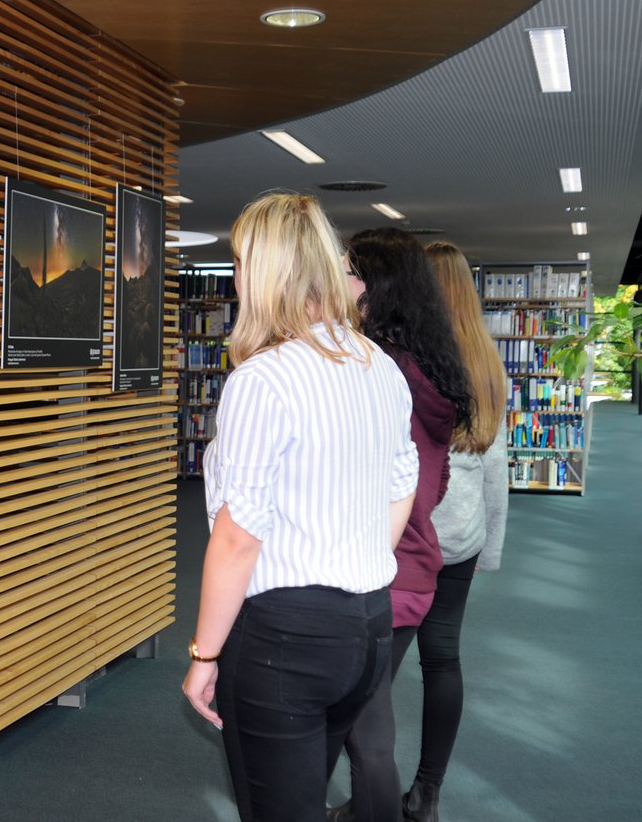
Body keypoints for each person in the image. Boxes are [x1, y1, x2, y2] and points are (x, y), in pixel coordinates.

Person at [181, 193, 420, 822]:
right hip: (367, 627)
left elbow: (238, 538)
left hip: (284, 640)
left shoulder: (262, 379)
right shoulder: (380, 367)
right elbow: (403, 486)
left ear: (263, 272)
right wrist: (355, 556)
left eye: (238, 261)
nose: (234, 276)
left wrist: (205, 655)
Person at [330, 228, 473, 822]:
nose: (336, 280)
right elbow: (431, 484)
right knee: (364, 725)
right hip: (413, 566)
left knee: (358, 732)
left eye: (347, 271)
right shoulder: (432, 372)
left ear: (374, 287)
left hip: (374, 570)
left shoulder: (378, 373)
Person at [397, 241, 510, 822]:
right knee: (442, 660)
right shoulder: (487, 364)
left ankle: (370, 786)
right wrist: (489, 550)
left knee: (374, 670)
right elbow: (496, 466)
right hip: (461, 537)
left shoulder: (407, 360)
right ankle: (427, 794)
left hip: (406, 536)